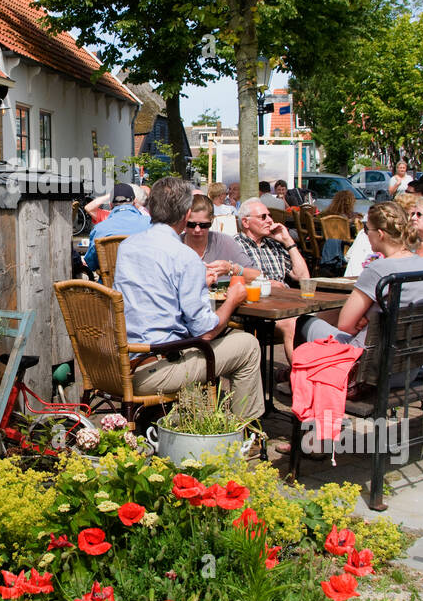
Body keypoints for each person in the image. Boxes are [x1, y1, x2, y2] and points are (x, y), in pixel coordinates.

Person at [114, 177, 265, 422]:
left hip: (123, 364)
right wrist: (232, 300)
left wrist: (196, 283)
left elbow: (153, 293)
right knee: (247, 345)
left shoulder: (127, 247)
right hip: (158, 368)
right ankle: (245, 431)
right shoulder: (185, 257)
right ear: (186, 214)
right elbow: (205, 332)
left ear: (150, 209)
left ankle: (201, 418)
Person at [294, 201, 423, 348]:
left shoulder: (378, 269)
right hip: (409, 350)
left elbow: (345, 325)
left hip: (367, 353)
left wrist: (364, 319)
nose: (365, 234)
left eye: (366, 229)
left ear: (380, 234)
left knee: (304, 322)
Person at [234, 197, 310, 289]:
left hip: (283, 295)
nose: (270, 220)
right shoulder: (234, 245)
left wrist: (288, 241)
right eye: (263, 217)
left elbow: (303, 277)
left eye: (270, 216)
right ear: (245, 222)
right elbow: (229, 280)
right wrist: (265, 284)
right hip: (255, 295)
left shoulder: (273, 245)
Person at [181, 195, 259, 283]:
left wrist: (231, 269)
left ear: (212, 221)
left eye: (204, 225)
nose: (197, 229)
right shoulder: (175, 245)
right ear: (184, 221)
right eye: (191, 224)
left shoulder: (224, 242)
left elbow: (257, 275)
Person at [84, 182, 152, 271]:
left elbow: (91, 263)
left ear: (110, 204)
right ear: (134, 202)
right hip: (143, 277)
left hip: (111, 279)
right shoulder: (150, 224)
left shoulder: (99, 229)